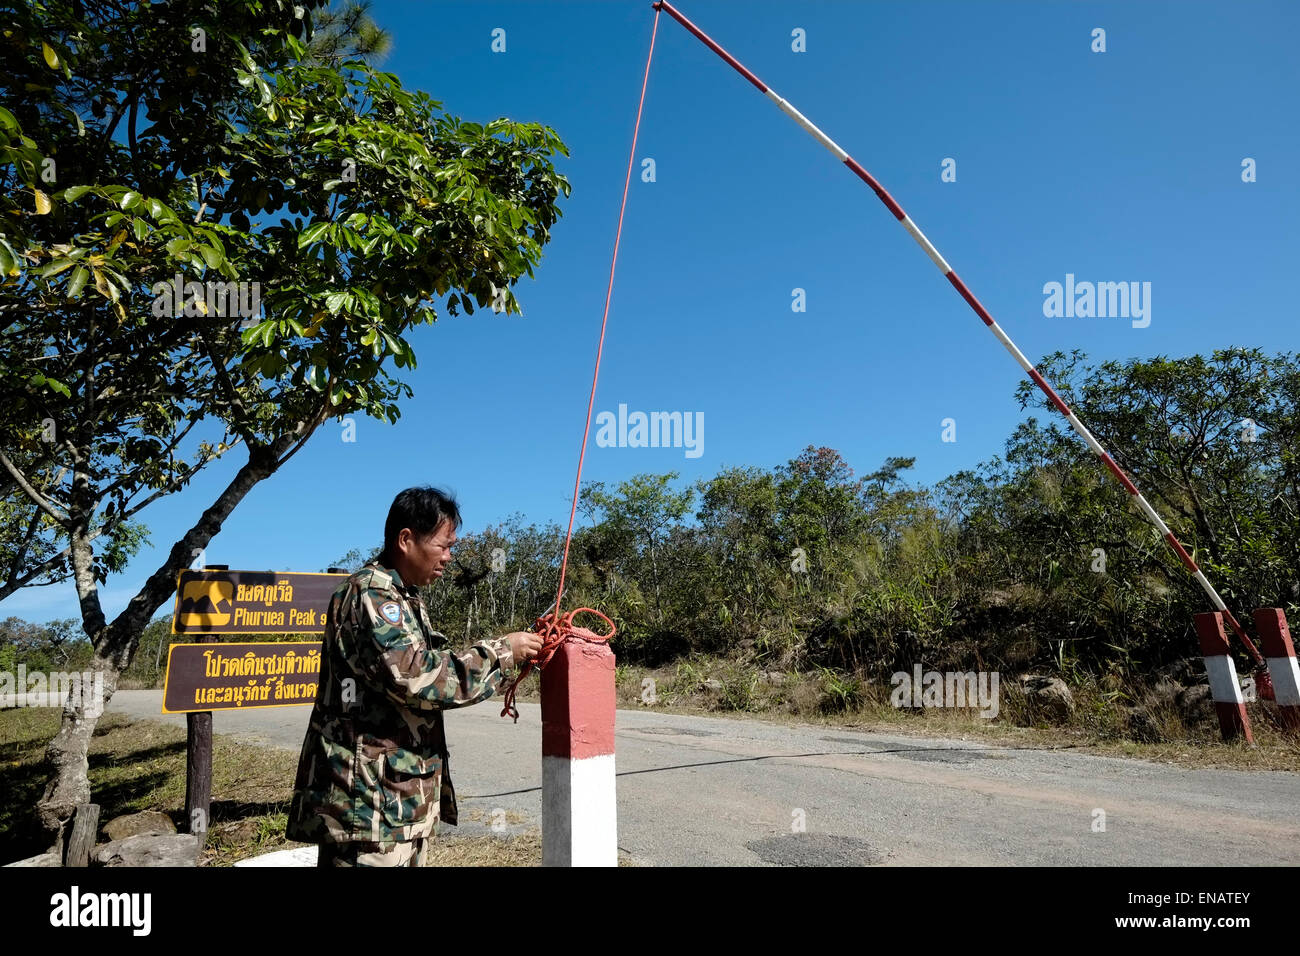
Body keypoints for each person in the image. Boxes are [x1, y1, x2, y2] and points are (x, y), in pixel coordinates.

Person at [286, 485, 543, 866]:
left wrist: (507, 662)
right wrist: (504, 652)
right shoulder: (371, 595)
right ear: (406, 539)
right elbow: (420, 678)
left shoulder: (403, 597)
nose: (448, 558)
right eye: (443, 546)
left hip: (392, 805)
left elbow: (431, 669)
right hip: (366, 809)